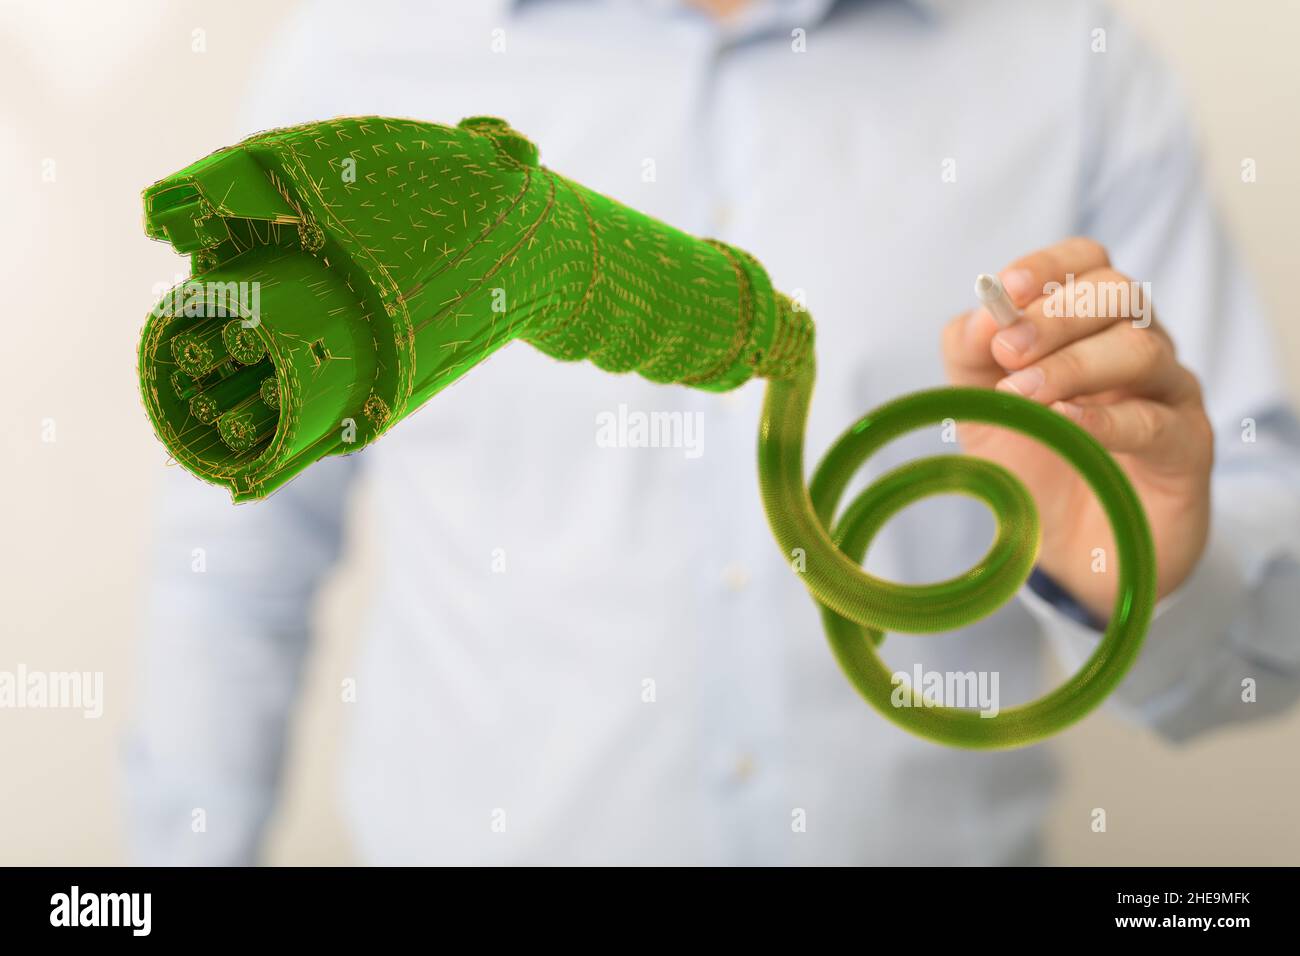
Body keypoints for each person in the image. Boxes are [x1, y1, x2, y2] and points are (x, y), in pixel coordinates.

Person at [125, 0, 1300, 865]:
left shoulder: (1071, 69)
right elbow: (230, 577)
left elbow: (1267, 661)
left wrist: (1150, 568)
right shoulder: (358, 56)